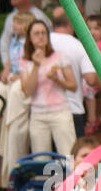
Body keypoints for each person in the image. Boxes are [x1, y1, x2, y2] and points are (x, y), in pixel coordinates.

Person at [20, 20, 78, 158]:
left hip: (60, 112)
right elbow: (27, 90)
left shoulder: (59, 56)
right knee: (41, 159)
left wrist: (57, 79)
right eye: (36, 33)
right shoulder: (25, 62)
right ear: (30, 38)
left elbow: (73, 86)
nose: (40, 36)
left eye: (43, 33)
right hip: (38, 114)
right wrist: (36, 65)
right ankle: (45, 180)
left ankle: (73, 179)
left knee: (68, 155)